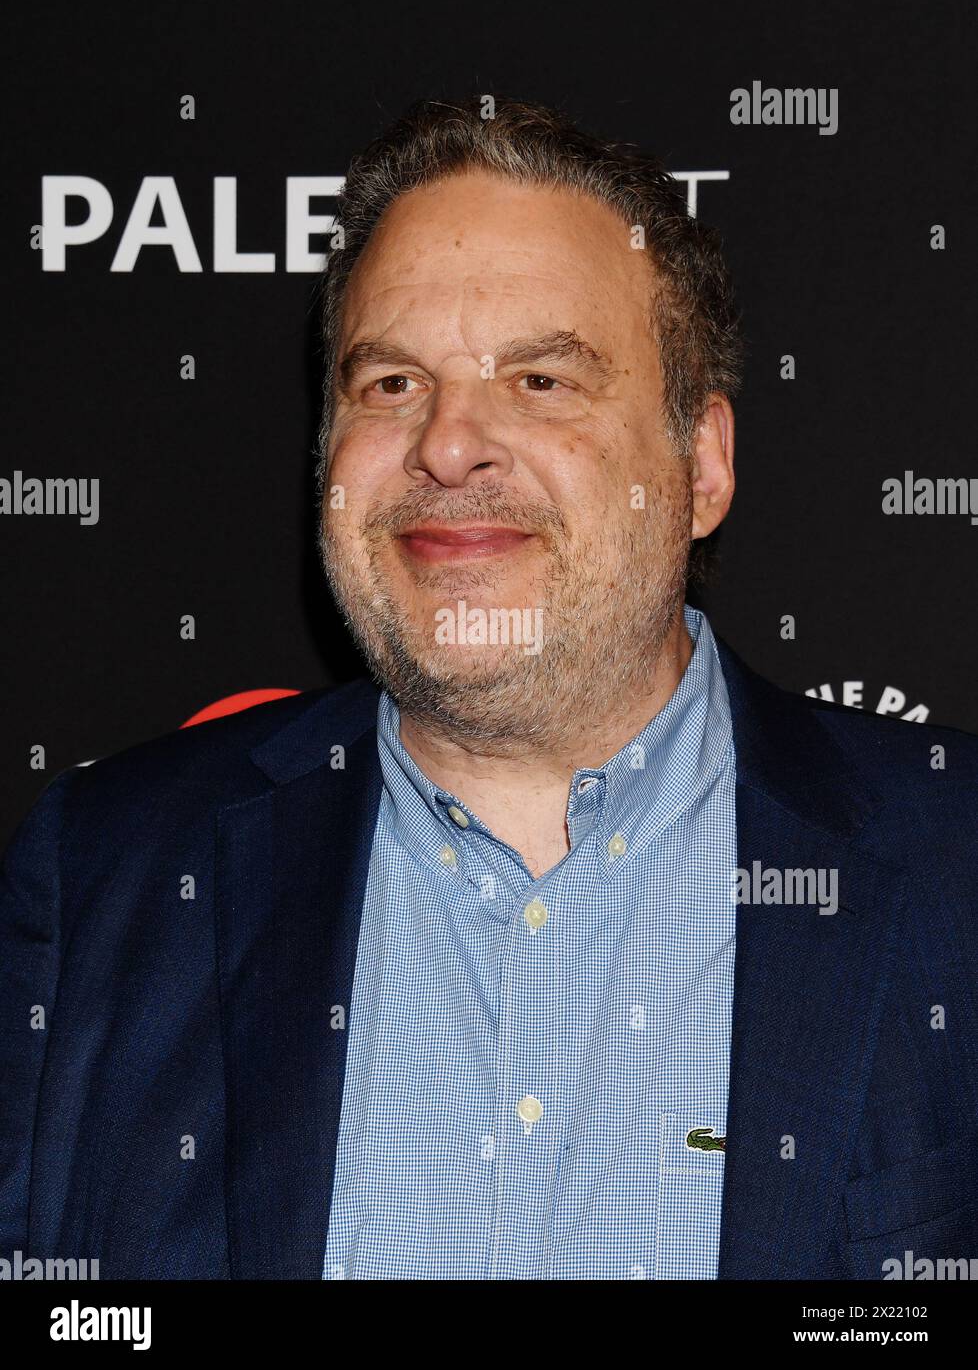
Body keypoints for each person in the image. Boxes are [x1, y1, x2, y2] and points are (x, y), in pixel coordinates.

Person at [2, 96, 976, 1281]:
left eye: (542, 380)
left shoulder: (951, 868)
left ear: (701, 465)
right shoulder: (109, 874)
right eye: (392, 383)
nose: (449, 444)